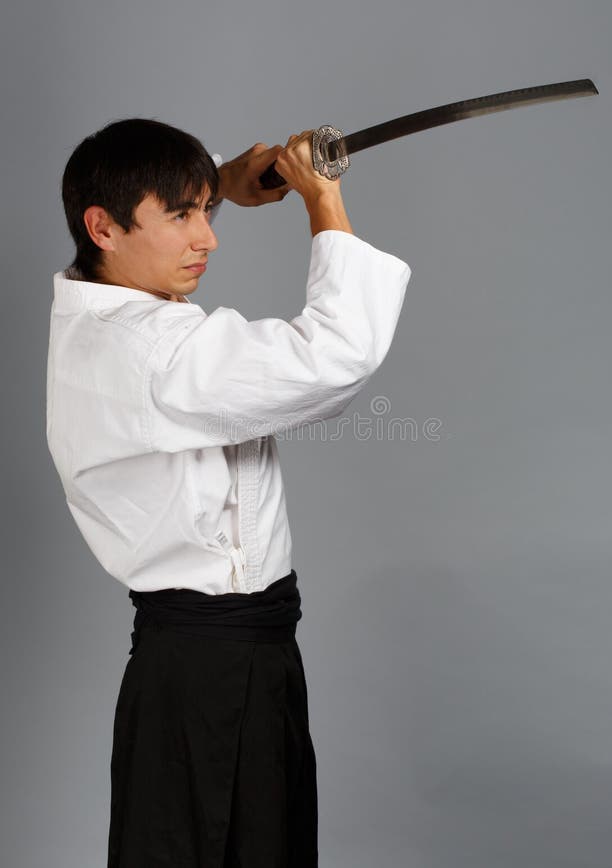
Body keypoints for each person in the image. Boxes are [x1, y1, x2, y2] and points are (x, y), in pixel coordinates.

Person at [46, 117, 411, 867]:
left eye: (205, 212)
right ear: (102, 228)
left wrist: (223, 178)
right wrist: (322, 201)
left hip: (223, 656)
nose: (206, 239)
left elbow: (126, 184)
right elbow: (334, 356)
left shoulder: (90, 298)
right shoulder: (157, 352)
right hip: (207, 673)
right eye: (182, 217)